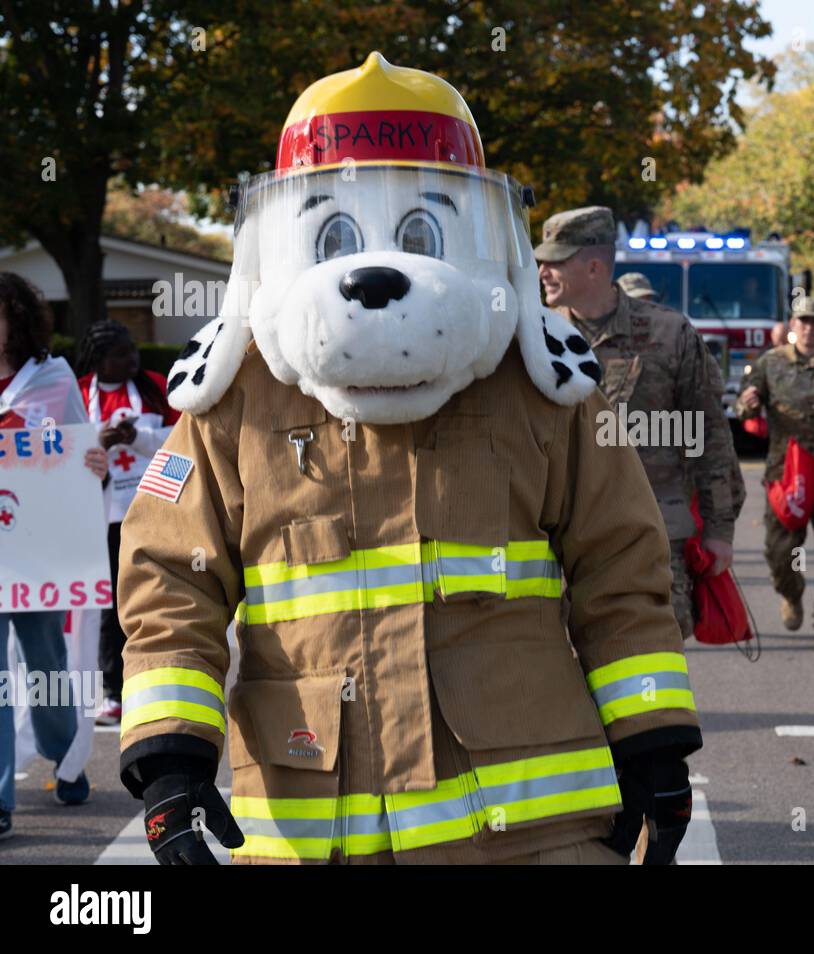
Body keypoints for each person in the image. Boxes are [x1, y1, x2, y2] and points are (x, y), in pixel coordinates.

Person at [117, 53, 701, 865]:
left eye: (422, 228)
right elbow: (170, 576)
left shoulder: (539, 388)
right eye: (336, 230)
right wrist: (168, 759)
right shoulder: (235, 401)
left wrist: (653, 741)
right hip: (307, 827)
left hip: (530, 830)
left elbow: (620, 565)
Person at [537, 206, 743, 641]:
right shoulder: (537, 335)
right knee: (567, 666)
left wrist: (719, 529)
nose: (542, 271)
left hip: (652, 534)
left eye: (554, 262)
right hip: (557, 539)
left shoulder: (669, 334)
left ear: (593, 266)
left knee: (653, 659)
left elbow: (708, 435)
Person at [0, 272, 107, 838]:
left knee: (44, 664)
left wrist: (96, 465)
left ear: (14, 322)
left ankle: (64, 755)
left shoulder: (53, 378)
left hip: (33, 551)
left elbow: (80, 450)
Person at [736, 296, 814, 650]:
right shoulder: (770, 364)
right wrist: (747, 405)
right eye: (802, 322)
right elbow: (744, 406)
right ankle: (790, 594)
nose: (808, 328)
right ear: (792, 326)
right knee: (781, 552)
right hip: (786, 473)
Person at [75, 320, 180, 725]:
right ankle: (112, 692)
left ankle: (159, 684)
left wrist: (137, 438)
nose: (132, 358)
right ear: (99, 360)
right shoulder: (80, 391)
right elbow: (60, 444)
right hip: (101, 517)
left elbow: (182, 435)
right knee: (110, 606)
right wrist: (100, 443)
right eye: (121, 353)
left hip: (155, 509)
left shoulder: (155, 384)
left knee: (156, 598)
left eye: (134, 349)